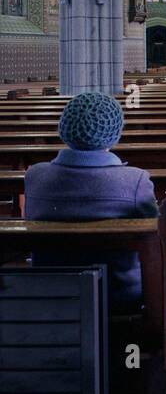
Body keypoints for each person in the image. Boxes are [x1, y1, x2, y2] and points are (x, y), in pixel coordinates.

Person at [24, 91, 158, 308]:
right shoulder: (135, 180)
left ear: (64, 128)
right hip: (118, 293)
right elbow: (156, 239)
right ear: (115, 133)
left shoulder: (35, 176)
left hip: (51, 292)